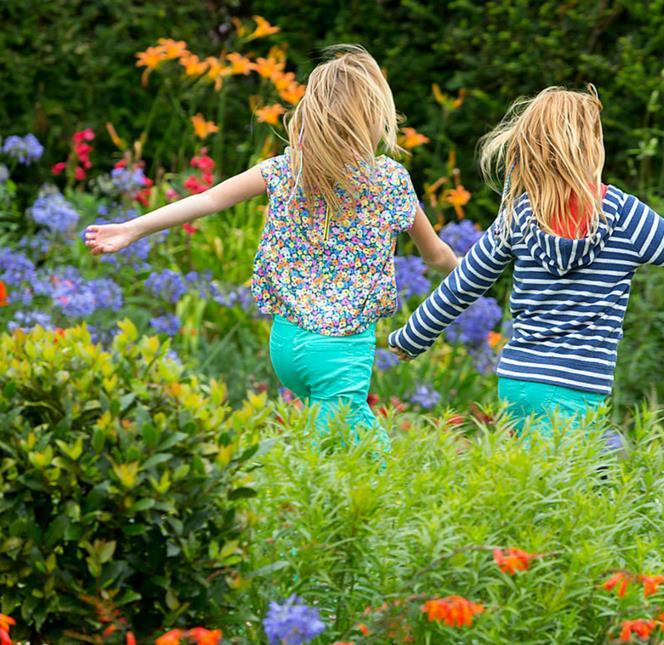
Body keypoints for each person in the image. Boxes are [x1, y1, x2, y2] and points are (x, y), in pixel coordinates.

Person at [85, 45, 458, 440]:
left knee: (331, 450)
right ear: (375, 115)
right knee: (368, 463)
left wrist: (133, 228)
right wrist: (468, 268)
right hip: (339, 349)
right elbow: (434, 254)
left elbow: (208, 200)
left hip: (286, 343)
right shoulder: (391, 180)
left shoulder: (286, 169)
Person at [387, 86, 664, 440]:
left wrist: (413, 336)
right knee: (561, 488)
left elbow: (463, 282)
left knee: (529, 481)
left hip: (518, 382)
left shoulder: (517, 216)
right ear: (593, 146)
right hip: (576, 386)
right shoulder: (626, 215)